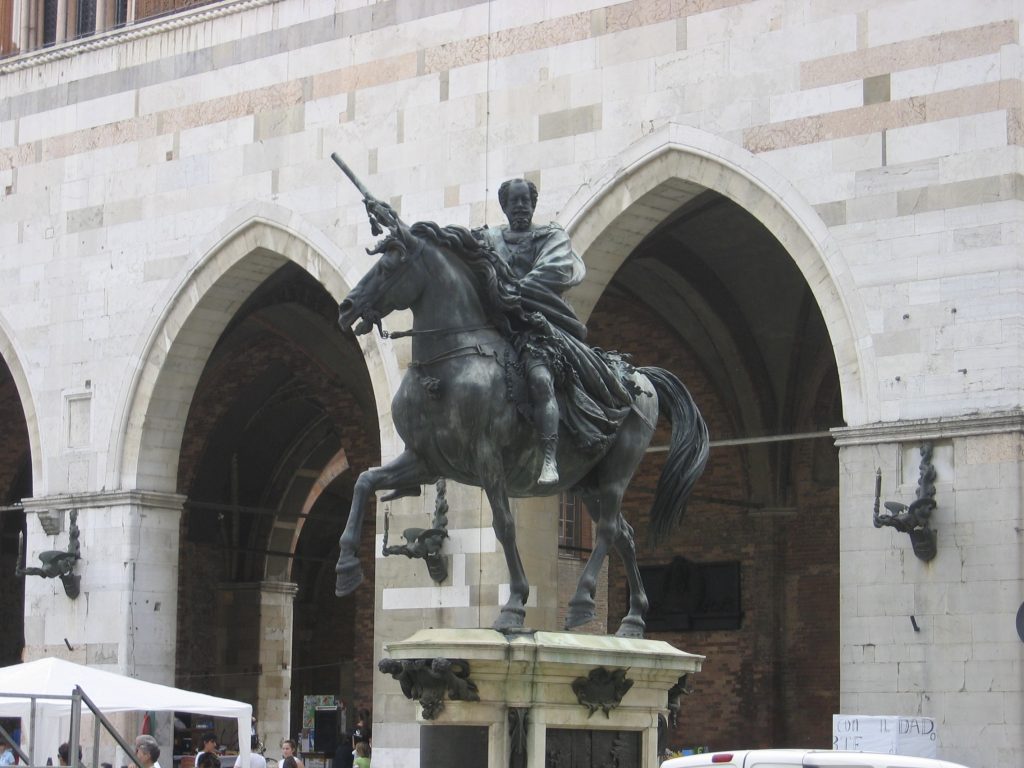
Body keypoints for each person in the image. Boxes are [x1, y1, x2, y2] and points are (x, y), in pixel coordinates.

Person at [473, 178, 588, 485]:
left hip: (534, 325)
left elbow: (554, 270)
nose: (521, 206)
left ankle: (549, 457)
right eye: (515, 201)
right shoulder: (488, 237)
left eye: (526, 201)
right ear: (504, 206)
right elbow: (456, 247)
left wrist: (513, 289)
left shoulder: (550, 236)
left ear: (533, 204)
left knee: (540, 378)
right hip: (495, 325)